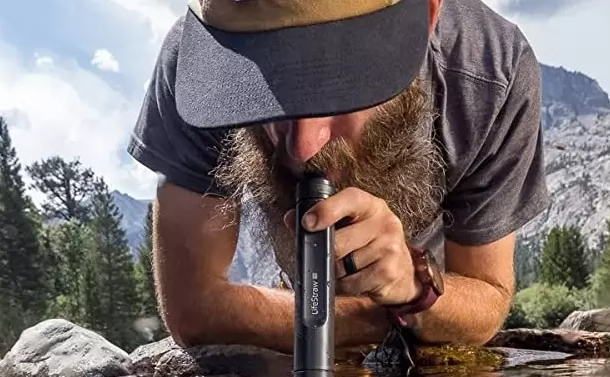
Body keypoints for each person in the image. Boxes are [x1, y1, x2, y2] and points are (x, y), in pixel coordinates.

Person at [128, 0, 550, 354]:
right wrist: (390, 316)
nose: (302, 148)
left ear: (428, 15)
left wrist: (410, 285)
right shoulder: (203, 71)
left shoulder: (489, 72)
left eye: (340, 87)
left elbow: (487, 295)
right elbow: (193, 309)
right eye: (266, 93)